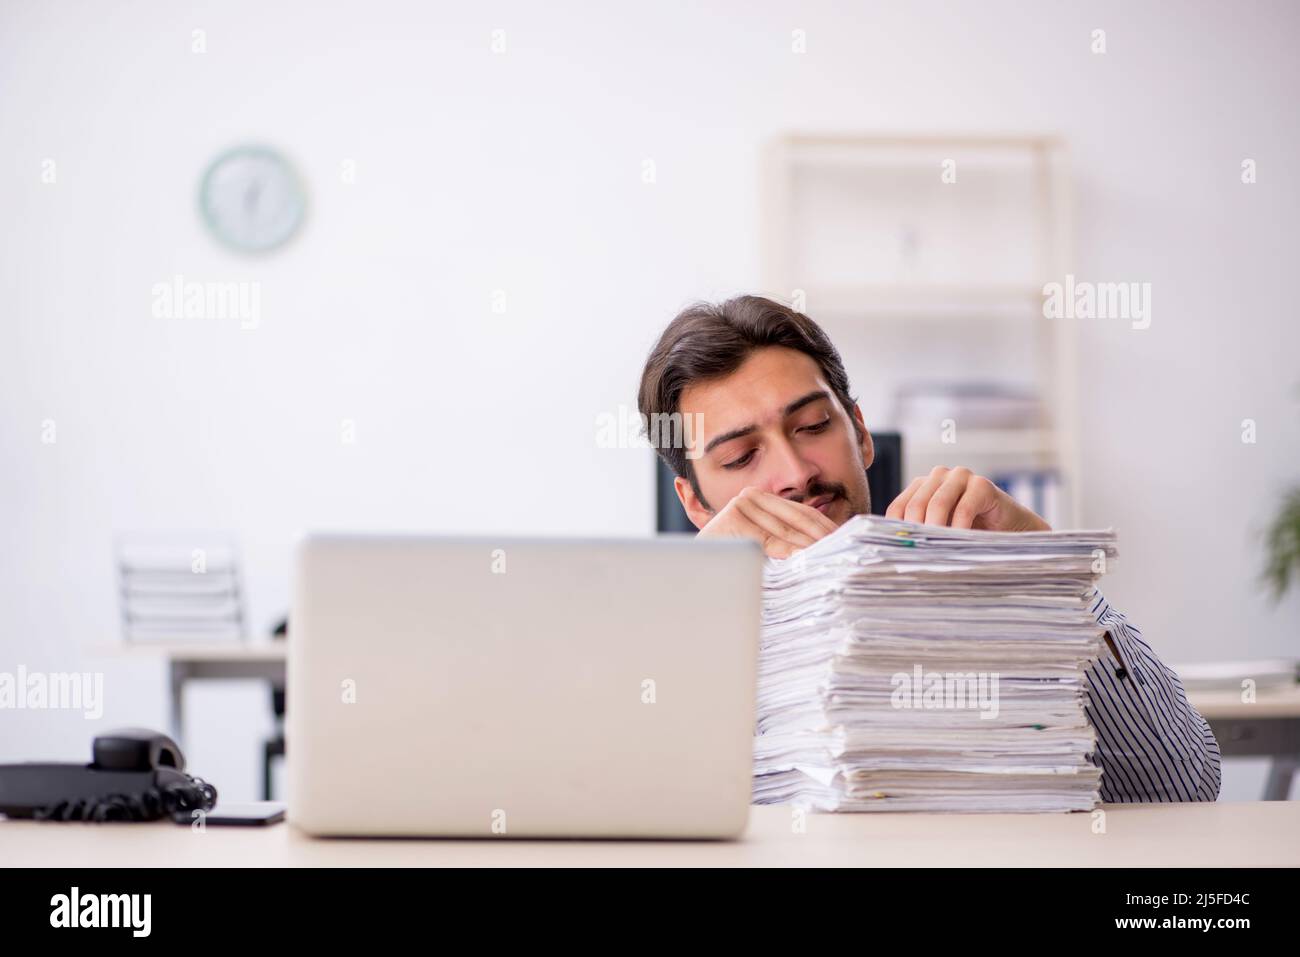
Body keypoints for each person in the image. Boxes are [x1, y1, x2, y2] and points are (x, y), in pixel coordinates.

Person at [637, 295, 1221, 803]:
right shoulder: (668, 642)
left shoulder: (984, 594)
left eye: (814, 425)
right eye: (741, 458)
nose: (795, 473)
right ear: (694, 504)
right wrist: (685, 608)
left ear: (860, 432)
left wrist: (1049, 586)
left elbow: (1182, 788)